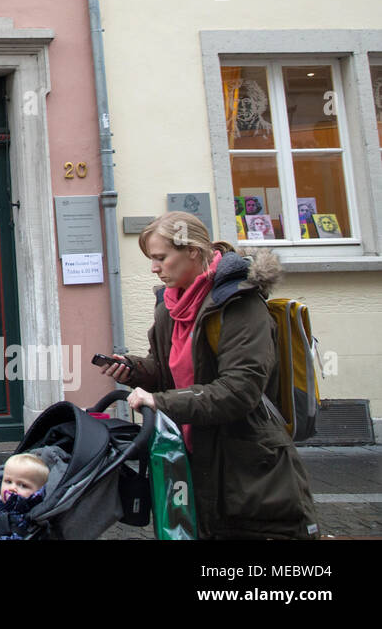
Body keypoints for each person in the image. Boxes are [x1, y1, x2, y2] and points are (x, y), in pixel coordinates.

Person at [100, 211, 318, 539]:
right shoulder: (169, 307)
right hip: (192, 460)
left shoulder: (239, 303)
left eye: (161, 258)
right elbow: (167, 372)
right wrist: (134, 371)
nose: (154, 268)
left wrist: (158, 402)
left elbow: (239, 389)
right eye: (151, 259)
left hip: (248, 470)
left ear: (193, 251)